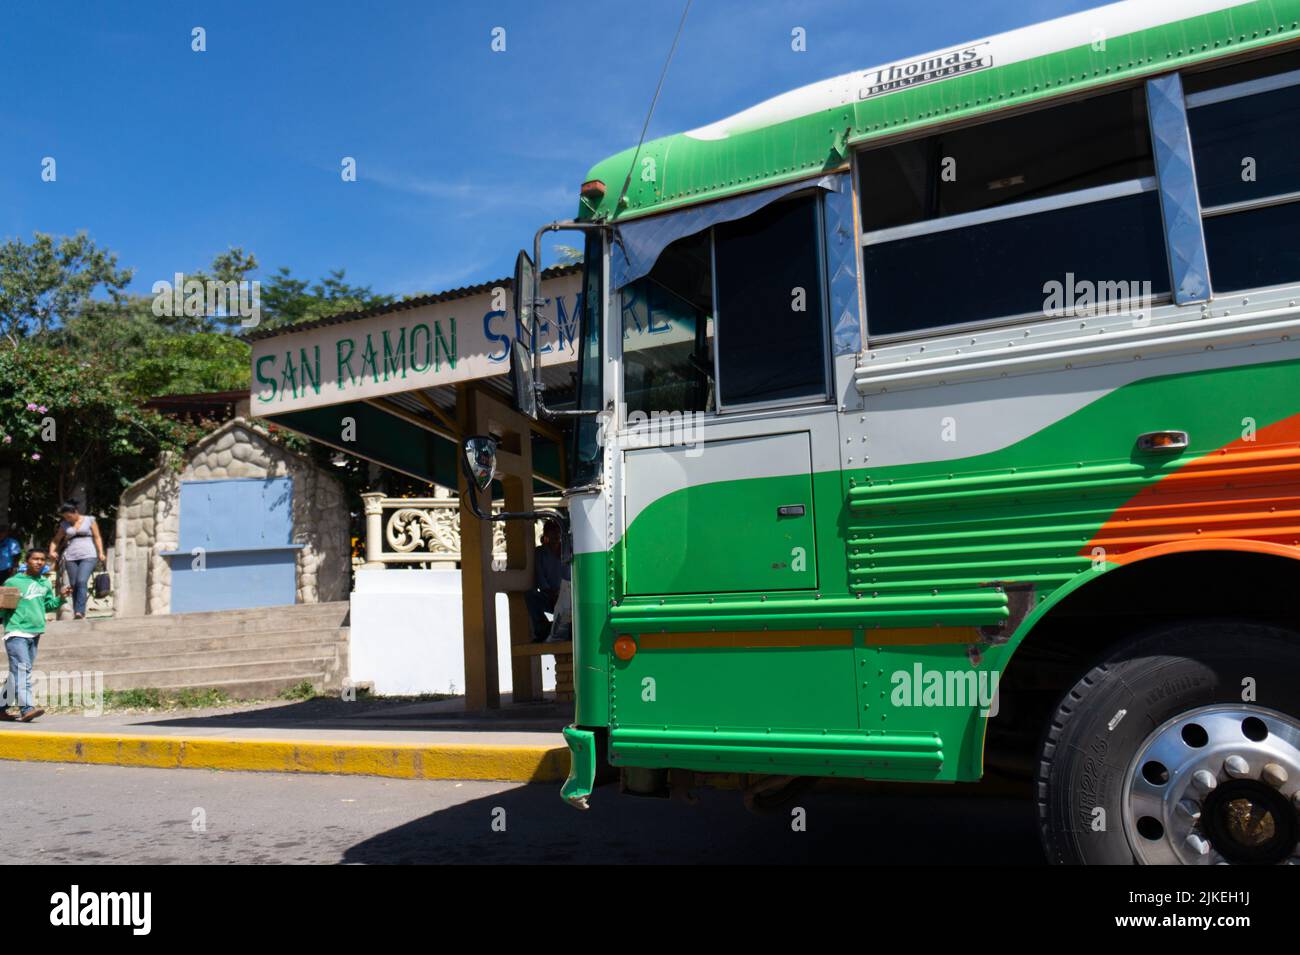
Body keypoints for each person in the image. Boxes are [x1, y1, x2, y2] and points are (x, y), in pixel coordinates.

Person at [0, 548, 69, 722]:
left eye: (42, 560)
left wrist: (61, 597)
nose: (39, 562)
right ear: (27, 562)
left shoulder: (44, 583)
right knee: (23, 670)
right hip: (16, 632)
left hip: (35, 633)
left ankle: (0, 708)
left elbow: (48, 605)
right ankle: (27, 708)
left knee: (17, 673)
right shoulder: (13, 582)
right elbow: (3, 609)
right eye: (35, 559)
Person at [49, 501, 104, 620]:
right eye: (65, 517)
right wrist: (52, 551)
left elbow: (97, 536)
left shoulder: (90, 520)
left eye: (69, 516)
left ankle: (80, 611)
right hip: (71, 557)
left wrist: (101, 552)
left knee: (81, 581)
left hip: (89, 555)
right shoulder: (65, 525)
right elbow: (56, 540)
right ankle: (77, 612)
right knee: (74, 584)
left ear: (75, 512)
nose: (67, 519)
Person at [525, 519, 570, 643]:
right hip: (550, 595)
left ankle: (571, 629)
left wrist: (564, 594)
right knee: (530, 596)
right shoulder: (540, 553)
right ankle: (542, 629)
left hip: (569, 595)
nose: (555, 536)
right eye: (552, 532)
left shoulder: (568, 551)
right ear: (546, 535)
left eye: (557, 532)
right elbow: (541, 578)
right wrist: (552, 594)